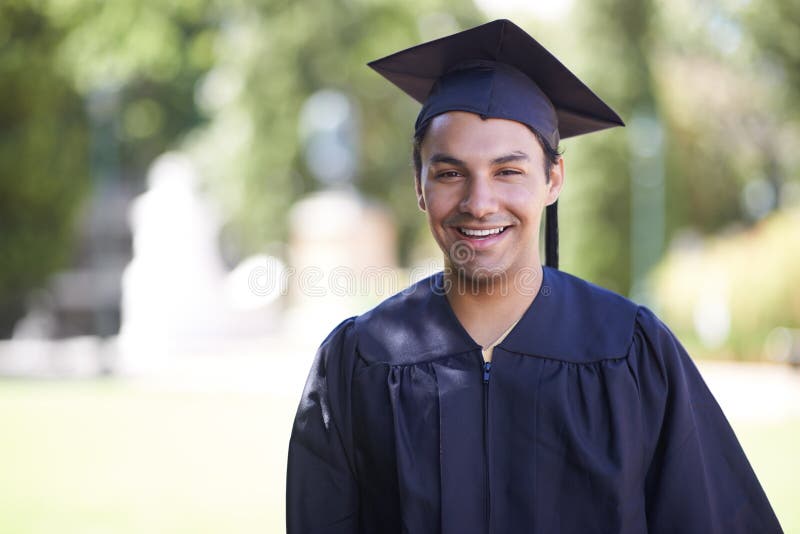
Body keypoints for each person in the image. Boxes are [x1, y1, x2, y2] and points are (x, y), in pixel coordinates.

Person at [286, 19, 783, 534]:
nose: (480, 203)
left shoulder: (631, 353)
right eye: (450, 172)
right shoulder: (359, 361)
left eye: (509, 171)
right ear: (419, 184)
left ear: (553, 179)